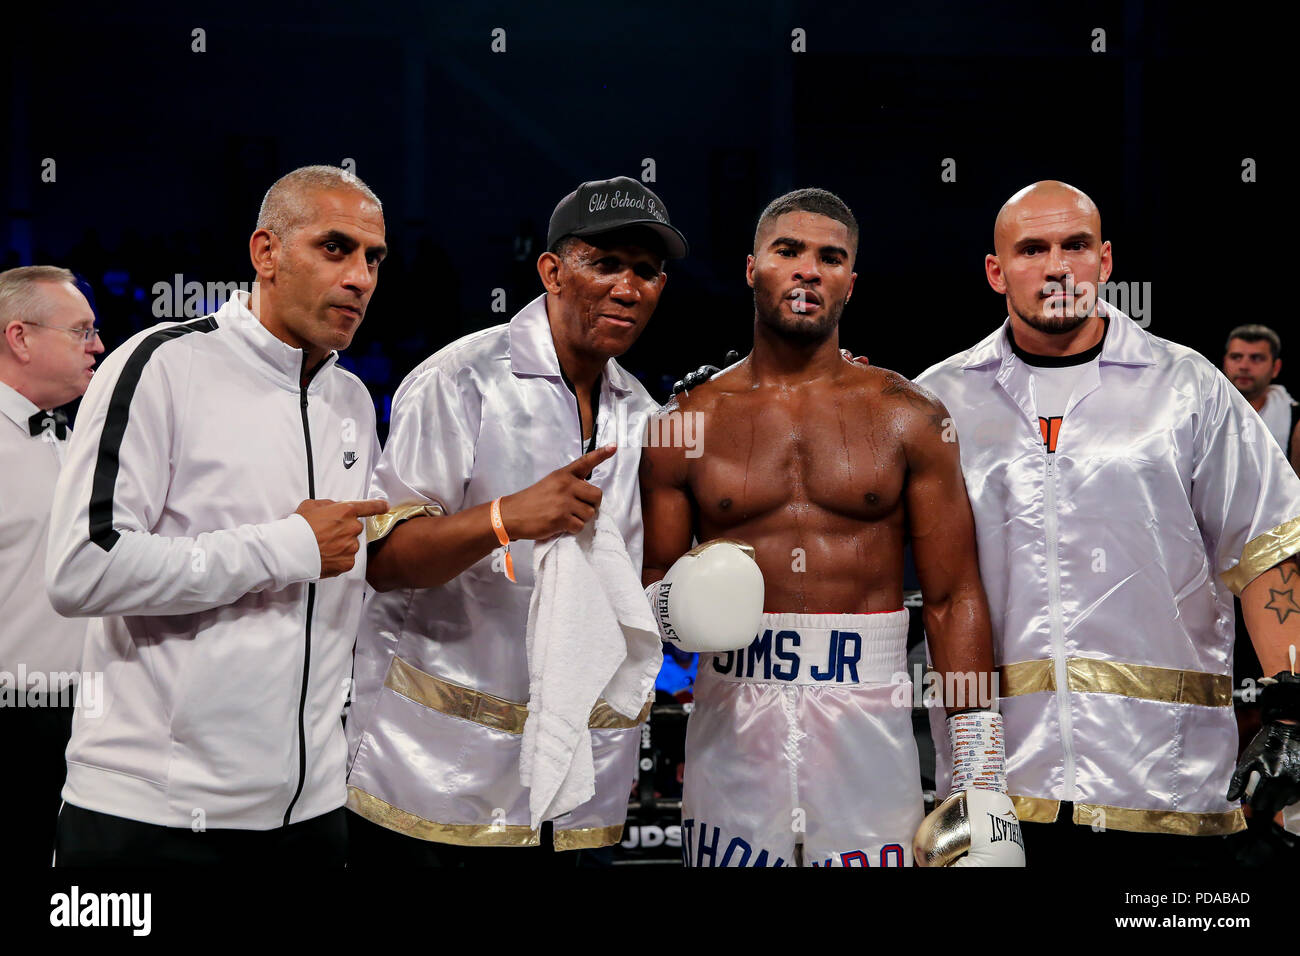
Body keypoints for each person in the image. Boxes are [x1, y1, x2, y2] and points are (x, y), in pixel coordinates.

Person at [916, 180, 1300, 865]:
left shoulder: (1188, 388)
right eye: (1033, 249)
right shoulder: (937, 400)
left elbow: (1269, 546)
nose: (1058, 265)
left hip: (1168, 784)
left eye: (1077, 245)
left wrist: (1293, 711)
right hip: (999, 790)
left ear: (1107, 261)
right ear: (996, 271)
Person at [641, 188, 1021, 867]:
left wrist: (979, 763)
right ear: (753, 268)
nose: (808, 270)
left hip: (868, 712)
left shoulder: (911, 417)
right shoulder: (685, 423)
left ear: (851, 281)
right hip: (733, 709)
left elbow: (953, 595)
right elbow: (651, 581)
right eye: (788, 252)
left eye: (830, 257)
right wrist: (677, 608)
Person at [44, 165, 388, 865]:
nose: (360, 277)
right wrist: (285, 547)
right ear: (266, 253)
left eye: (373, 258)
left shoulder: (351, 401)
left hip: (313, 811)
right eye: (335, 248)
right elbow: (82, 567)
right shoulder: (162, 363)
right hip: (149, 813)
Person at [345, 176, 689, 867]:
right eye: (606, 263)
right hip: (429, 779)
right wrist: (506, 517)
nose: (629, 287)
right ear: (552, 271)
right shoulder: (460, 381)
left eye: (647, 272)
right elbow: (385, 561)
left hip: (574, 790)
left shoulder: (644, 414)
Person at [0, 266, 104, 864]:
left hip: (81, 715)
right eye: (81, 331)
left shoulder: (68, 438)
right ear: (20, 339)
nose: (97, 346)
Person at [1222, 324, 1300, 470]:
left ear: (1275, 368)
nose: (1244, 366)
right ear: (1225, 362)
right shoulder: (1201, 411)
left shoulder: (1295, 420)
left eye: (1256, 358)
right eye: (1236, 357)